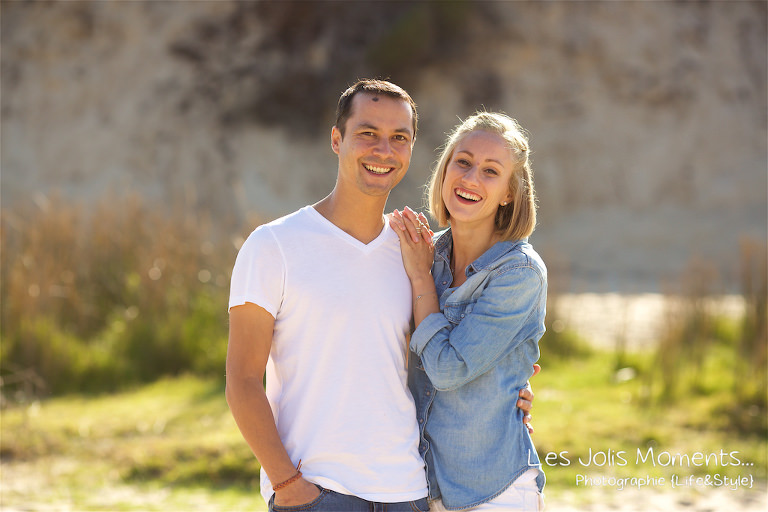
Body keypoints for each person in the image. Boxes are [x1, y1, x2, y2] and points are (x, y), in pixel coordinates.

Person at [226, 80, 535, 512]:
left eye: (399, 138)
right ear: (337, 139)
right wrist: (288, 484)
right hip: (317, 490)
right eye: (368, 133)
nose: (383, 150)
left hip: (409, 490)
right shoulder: (274, 244)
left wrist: (506, 389)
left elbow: (444, 355)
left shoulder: (417, 252)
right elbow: (242, 381)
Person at [390, 111, 546, 511]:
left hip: (492, 490)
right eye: (463, 162)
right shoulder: (424, 253)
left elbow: (447, 370)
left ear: (509, 193)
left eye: (491, 171)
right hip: (417, 486)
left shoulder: (519, 272)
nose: (471, 178)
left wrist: (421, 280)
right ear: (445, 169)